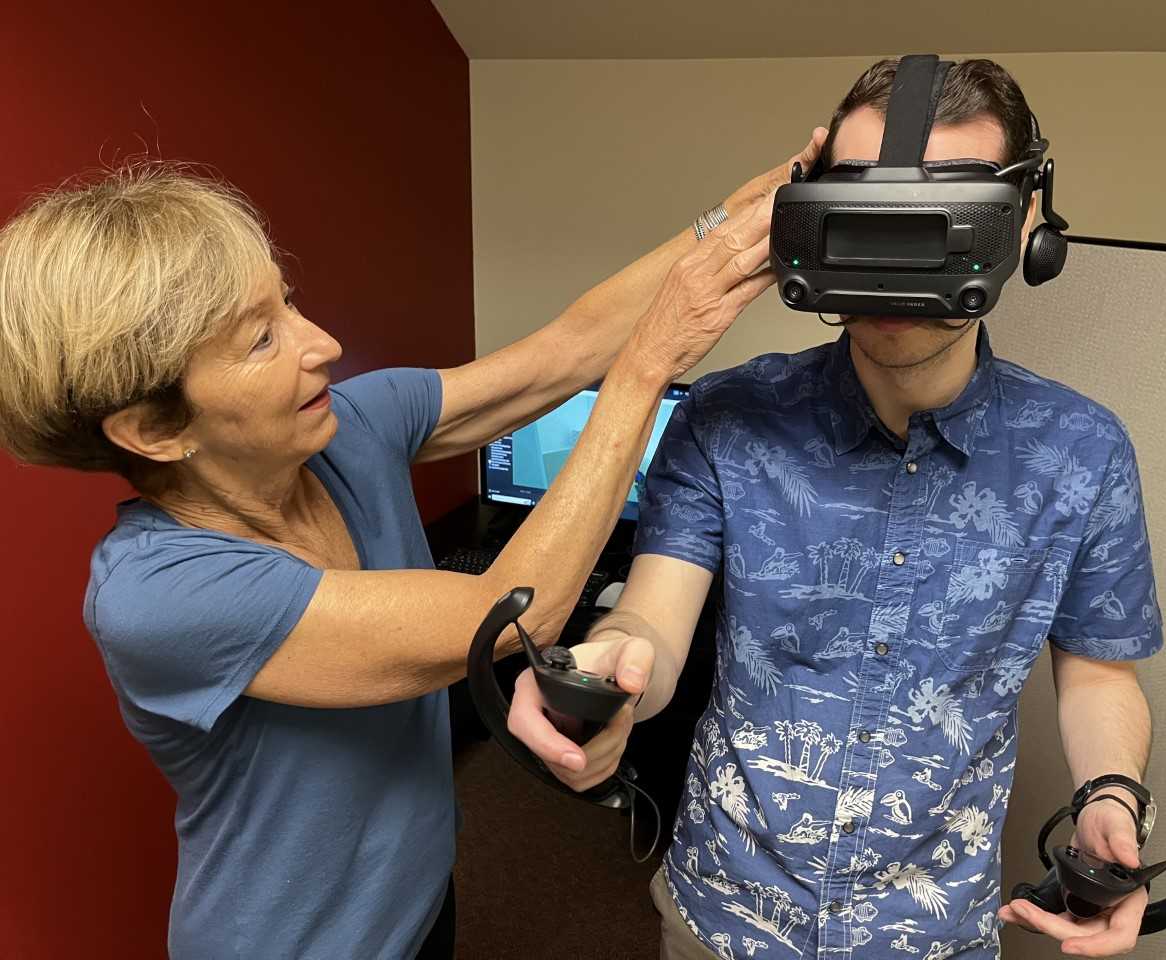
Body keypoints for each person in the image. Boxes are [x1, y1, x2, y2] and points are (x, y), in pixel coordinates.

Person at [0, 128, 824, 960]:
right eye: (261, 339)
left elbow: (564, 353)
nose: (322, 344)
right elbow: (508, 612)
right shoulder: (158, 595)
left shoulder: (347, 429)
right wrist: (647, 370)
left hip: (419, 900)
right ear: (153, 429)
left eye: (286, 302)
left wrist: (730, 222)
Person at [510, 58, 1162, 960]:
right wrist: (613, 662)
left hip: (931, 929)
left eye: (939, 222)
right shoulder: (729, 418)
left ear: (1020, 227)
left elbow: (1098, 675)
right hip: (724, 915)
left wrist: (1111, 796)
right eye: (864, 217)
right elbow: (652, 620)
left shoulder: (1082, 452)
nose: (894, 266)